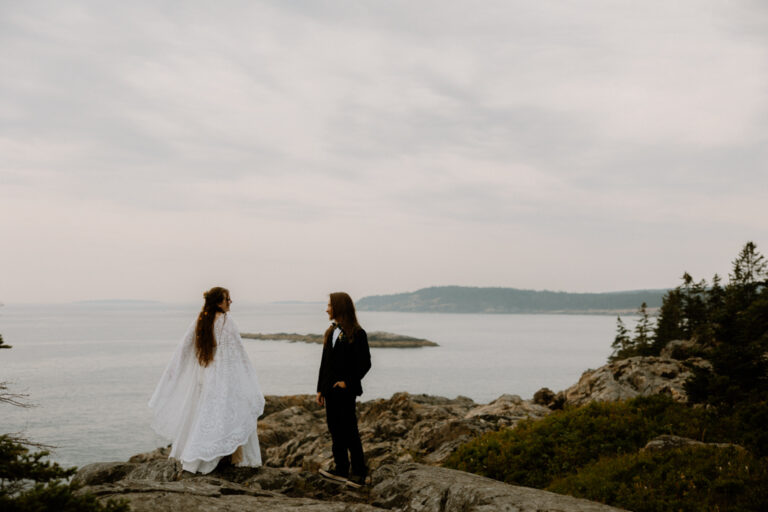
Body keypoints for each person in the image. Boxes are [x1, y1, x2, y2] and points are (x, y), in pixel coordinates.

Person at [149, 287, 264, 474]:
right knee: (227, 415)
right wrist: (248, 379)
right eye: (228, 299)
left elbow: (183, 350)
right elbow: (239, 355)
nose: (231, 302)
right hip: (224, 378)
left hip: (205, 377)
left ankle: (202, 456)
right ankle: (230, 457)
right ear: (219, 302)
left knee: (205, 415)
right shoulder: (227, 322)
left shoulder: (200, 320)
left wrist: (172, 375)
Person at [316, 292, 371, 488]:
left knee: (350, 431)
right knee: (335, 429)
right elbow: (325, 364)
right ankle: (341, 469)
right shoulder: (331, 332)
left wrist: (347, 382)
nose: (327, 308)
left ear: (339, 307)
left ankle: (359, 472)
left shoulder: (357, 333)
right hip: (330, 392)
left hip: (346, 391)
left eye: (329, 305)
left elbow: (365, 364)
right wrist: (320, 390)